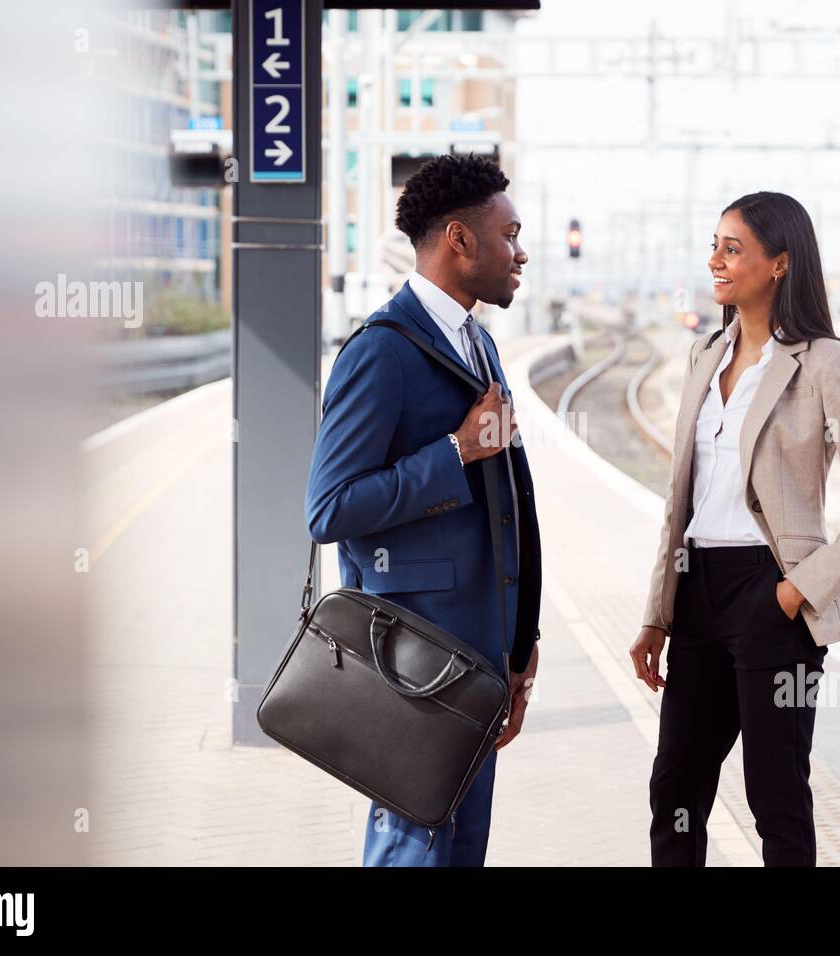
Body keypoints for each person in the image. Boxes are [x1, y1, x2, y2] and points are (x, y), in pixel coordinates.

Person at [630, 191, 840, 867]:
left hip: (771, 597)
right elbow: (681, 500)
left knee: (776, 797)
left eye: (734, 248)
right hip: (696, 591)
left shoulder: (822, 363)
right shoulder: (703, 355)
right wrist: (656, 615)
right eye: (714, 245)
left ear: (779, 264)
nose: (716, 261)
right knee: (674, 786)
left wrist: (795, 592)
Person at [306, 153, 541, 867]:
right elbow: (330, 507)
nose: (521, 251)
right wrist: (455, 451)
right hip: (413, 662)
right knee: (415, 846)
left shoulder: (479, 344)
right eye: (510, 233)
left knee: (460, 847)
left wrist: (519, 648)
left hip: (479, 658)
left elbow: (507, 511)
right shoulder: (382, 351)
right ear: (460, 241)